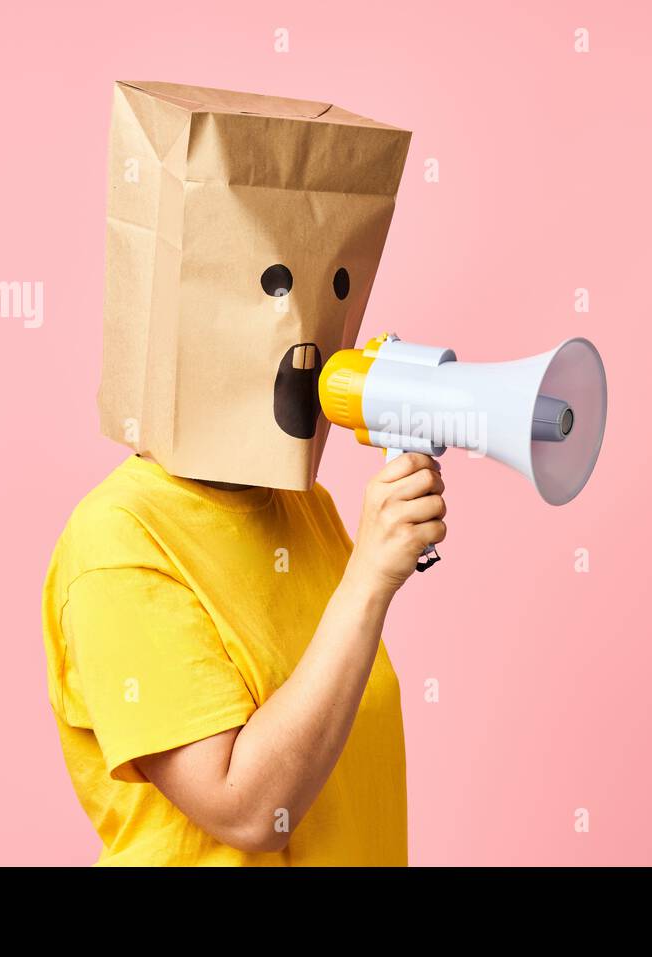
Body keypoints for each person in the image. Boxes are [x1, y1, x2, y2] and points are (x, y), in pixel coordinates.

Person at [41, 80, 427, 865]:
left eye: (331, 287)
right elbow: (250, 810)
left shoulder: (306, 507)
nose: (304, 328)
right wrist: (370, 577)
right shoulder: (116, 541)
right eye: (271, 287)